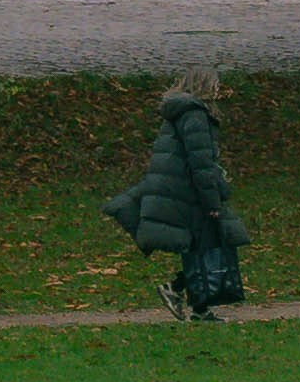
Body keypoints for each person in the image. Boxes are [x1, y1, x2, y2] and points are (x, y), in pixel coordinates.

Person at [104, 73, 245, 321]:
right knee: (207, 244)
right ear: (205, 86)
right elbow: (201, 162)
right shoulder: (195, 115)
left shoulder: (178, 112)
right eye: (215, 85)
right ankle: (180, 292)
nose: (218, 90)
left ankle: (194, 303)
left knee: (199, 246)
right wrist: (212, 202)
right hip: (190, 192)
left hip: (177, 189)